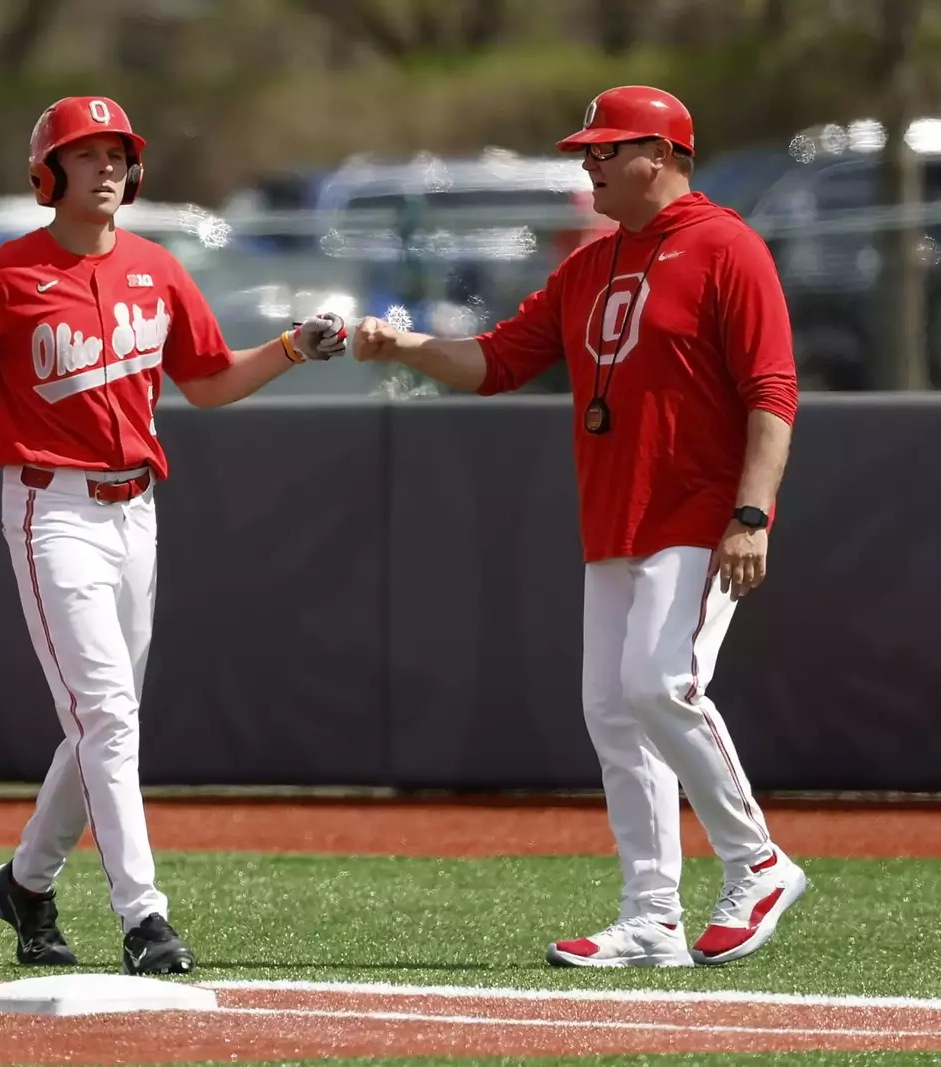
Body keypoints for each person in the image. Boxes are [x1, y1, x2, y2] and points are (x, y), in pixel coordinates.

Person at [0, 95, 348, 976]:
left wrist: (289, 346)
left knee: (102, 722)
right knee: (107, 713)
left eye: (118, 153)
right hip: (48, 507)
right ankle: (145, 917)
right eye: (85, 153)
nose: (106, 168)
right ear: (45, 174)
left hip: (136, 512)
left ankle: (26, 881)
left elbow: (205, 382)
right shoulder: (2, 275)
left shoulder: (156, 269)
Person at [352, 85, 805, 968]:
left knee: (655, 684)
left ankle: (758, 861)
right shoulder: (592, 264)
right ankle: (651, 916)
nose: (588, 163)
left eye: (606, 149)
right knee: (612, 710)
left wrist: (752, 514)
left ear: (664, 154)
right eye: (586, 150)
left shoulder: (728, 247)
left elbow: (772, 392)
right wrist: (405, 346)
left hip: (700, 512)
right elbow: (496, 361)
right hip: (616, 514)